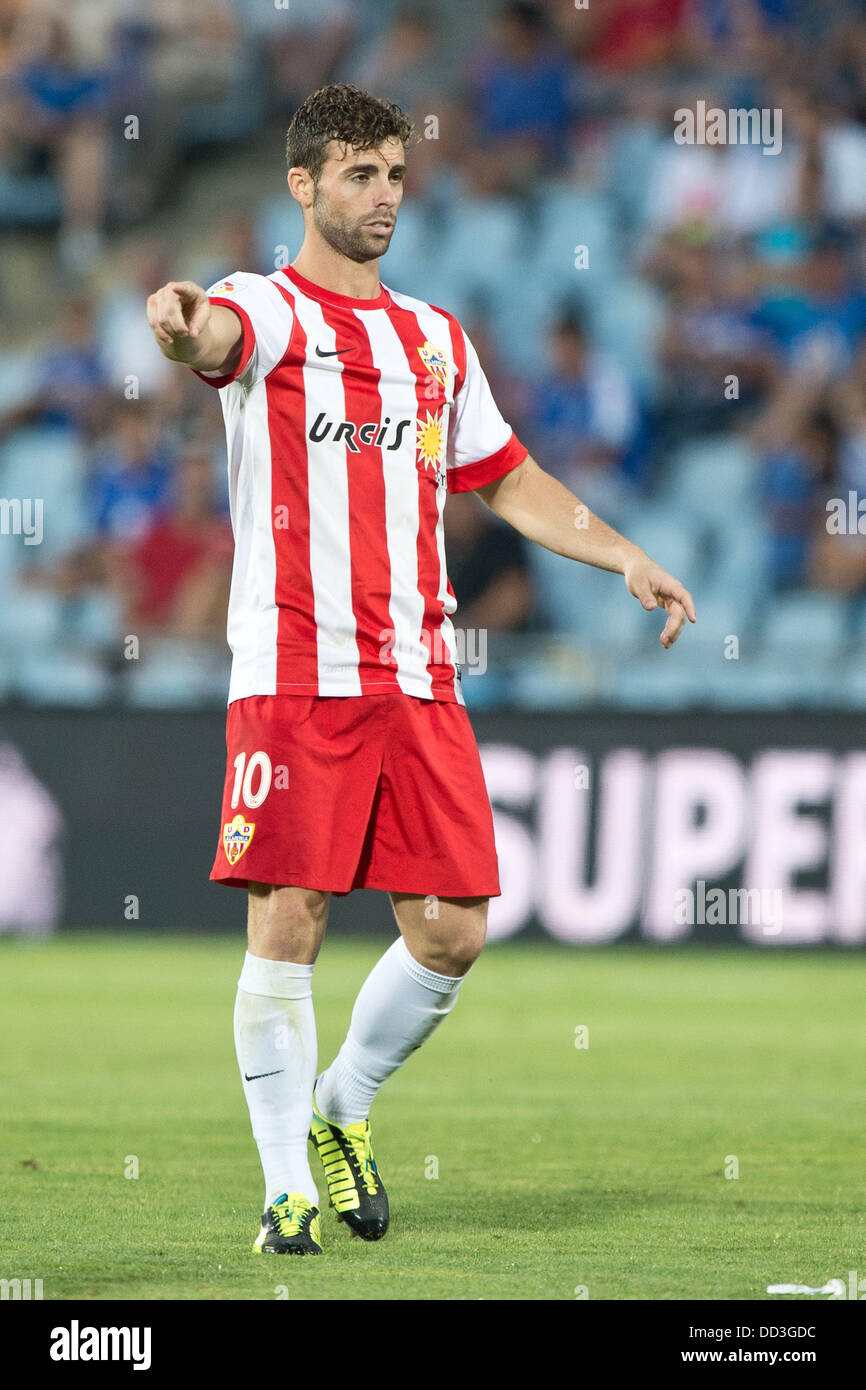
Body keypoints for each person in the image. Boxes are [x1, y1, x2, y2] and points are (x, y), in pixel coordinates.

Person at [146, 83, 696, 1258]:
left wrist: (622, 556)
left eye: (394, 173)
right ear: (302, 185)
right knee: (288, 916)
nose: (384, 195)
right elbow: (212, 336)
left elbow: (504, 476)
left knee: (452, 934)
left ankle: (338, 1109)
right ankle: (284, 1184)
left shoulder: (435, 339)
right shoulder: (270, 309)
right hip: (295, 671)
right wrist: (179, 323)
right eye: (358, 175)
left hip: (417, 676)